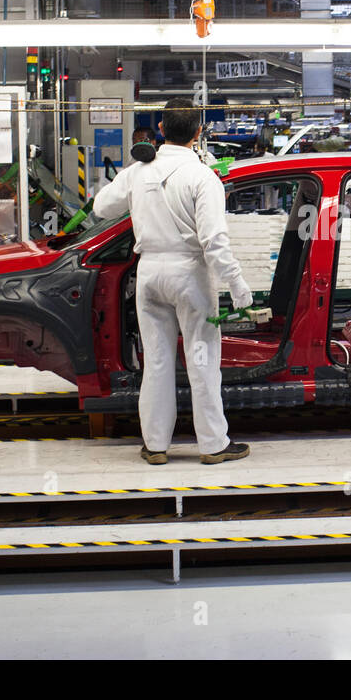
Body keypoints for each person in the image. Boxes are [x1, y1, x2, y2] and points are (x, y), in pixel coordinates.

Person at [92, 98, 253, 466]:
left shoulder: (138, 171)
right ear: (198, 134)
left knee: (158, 362)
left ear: (161, 130)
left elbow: (102, 207)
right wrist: (238, 286)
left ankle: (155, 445)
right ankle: (213, 445)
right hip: (190, 275)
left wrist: (136, 177)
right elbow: (214, 241)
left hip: (149, 274)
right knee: (202, 359)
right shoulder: (202, 177)